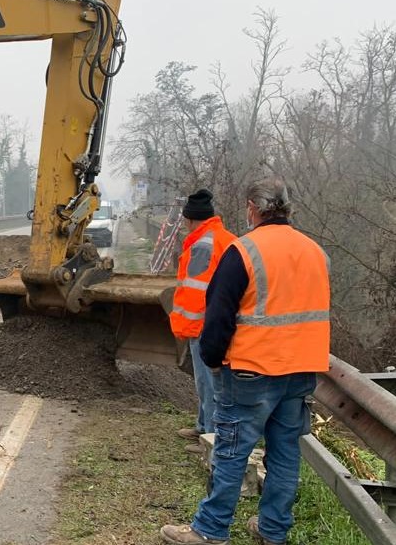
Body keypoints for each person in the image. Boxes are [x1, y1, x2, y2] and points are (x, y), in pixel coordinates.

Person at [160, 177, 331, 545]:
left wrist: (212, 358)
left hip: (253, 370)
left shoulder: (244, 251)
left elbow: (219, 314)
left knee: (231, 451)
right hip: (301, 370)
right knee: (285, 454)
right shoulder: (316, 252)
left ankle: (210, 530)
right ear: (287, 208)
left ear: (253, 209)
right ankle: (272, 530)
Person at [170, 189, 237, 453]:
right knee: (210, 382)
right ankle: (202, 425)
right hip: (221, 323)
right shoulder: (225, 238)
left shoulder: (202, 246)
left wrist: (186, 326)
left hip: (205, 326)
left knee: (208, 384)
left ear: (189, 220)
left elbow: (196, 292)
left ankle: (209, 436)